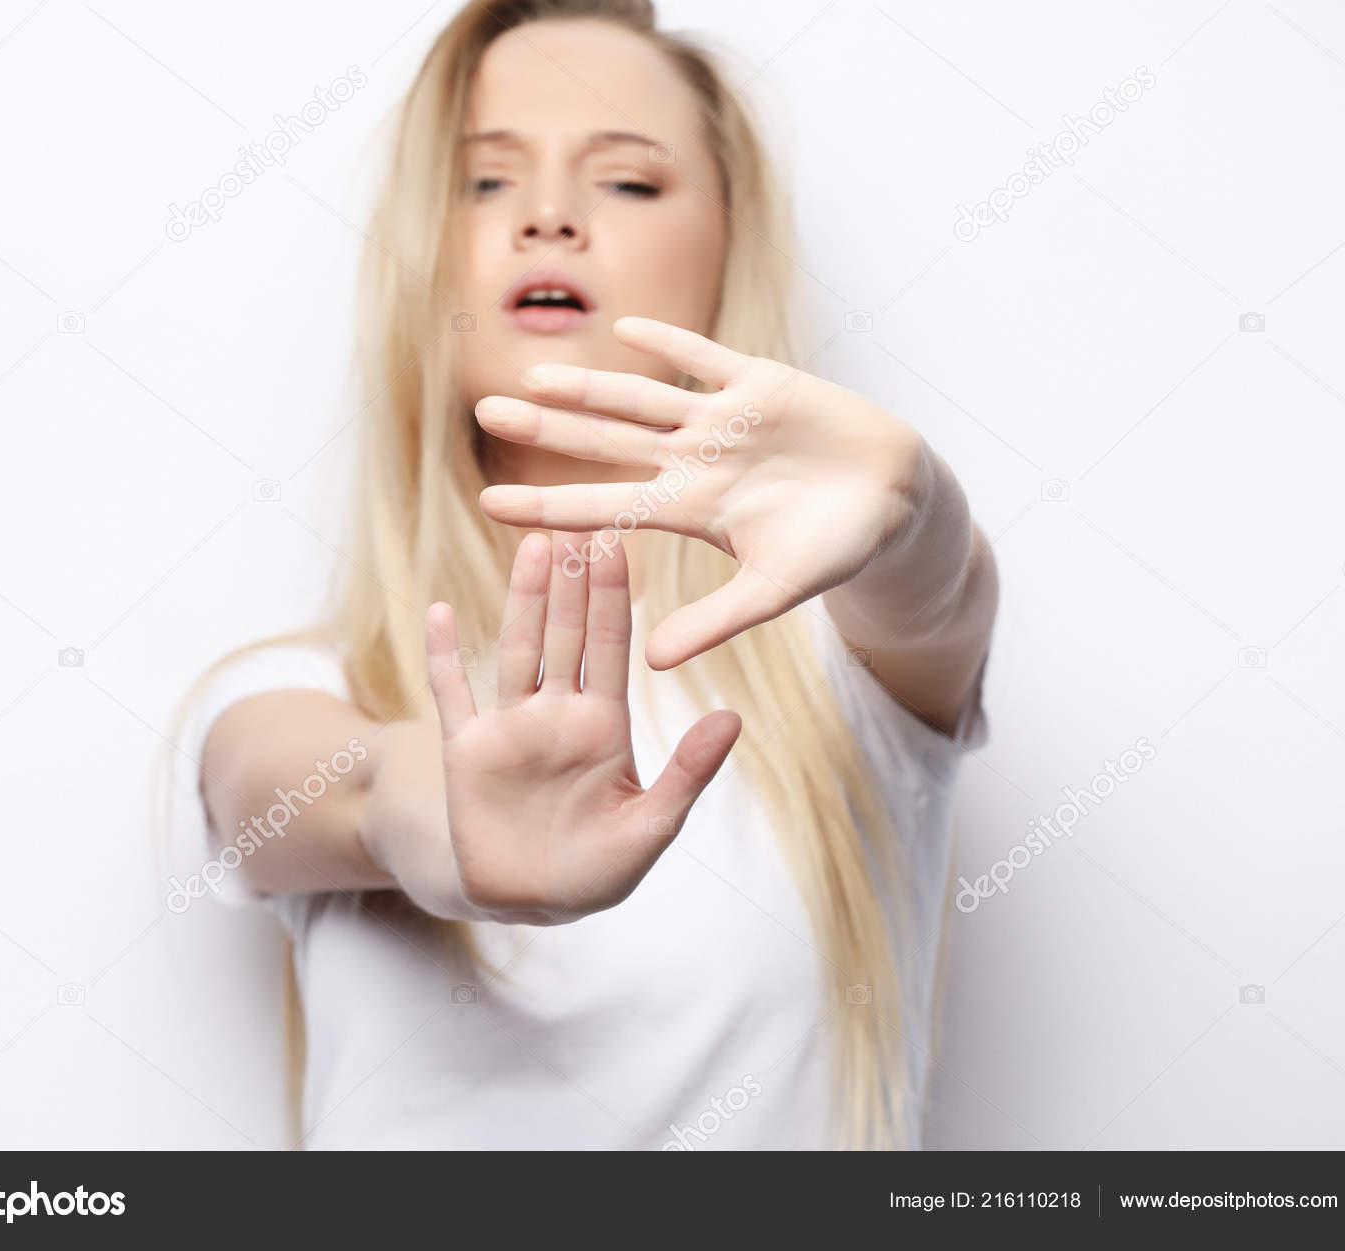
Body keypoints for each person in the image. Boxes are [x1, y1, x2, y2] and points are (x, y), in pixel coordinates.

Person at [166, 0, 996, 1150]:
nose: (549, 217)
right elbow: (316, 787)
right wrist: (441, 812)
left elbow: (938, 598)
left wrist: (913, 510)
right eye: (485, 182)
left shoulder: (832, 669)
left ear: (726, 246)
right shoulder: (289, 694)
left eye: (629, 183)